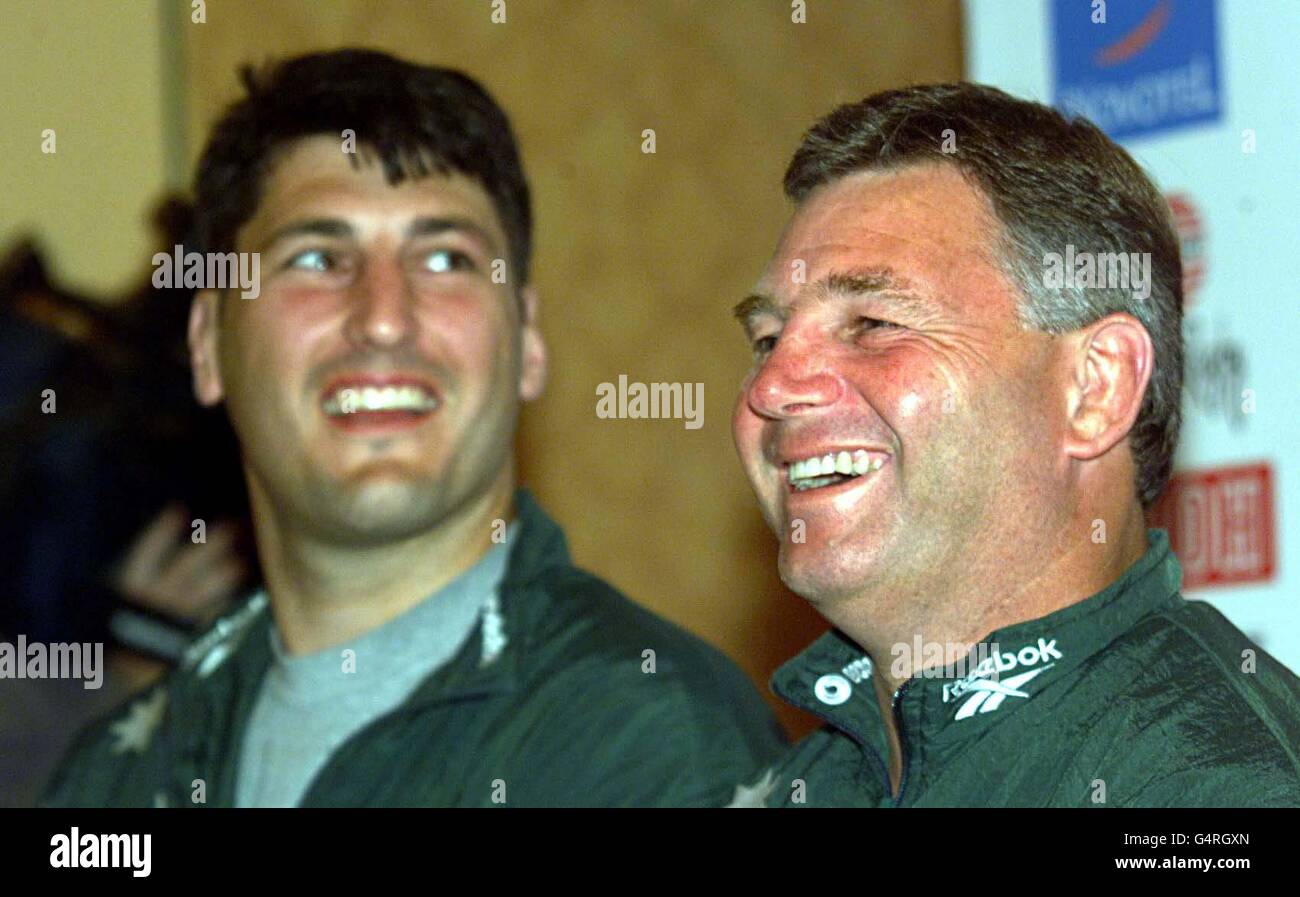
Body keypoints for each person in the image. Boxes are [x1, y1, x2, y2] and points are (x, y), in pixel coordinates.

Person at [43, 49, 785, 807]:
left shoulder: (653, 748)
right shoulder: (114, 777)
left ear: (527, 339)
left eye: (444, 257)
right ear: (207, 344)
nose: (385, 318)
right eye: (317, 256)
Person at [729, 83, 1300, 808]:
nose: (772, 386)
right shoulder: (808, 781)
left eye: (873, 322)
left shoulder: (1208, 796)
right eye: (767, 338)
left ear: (1096, 388)